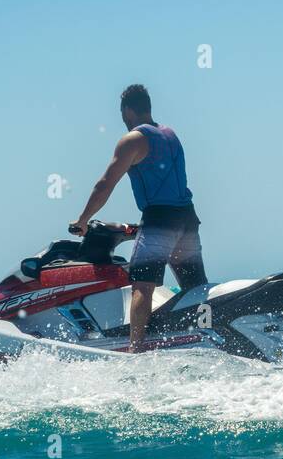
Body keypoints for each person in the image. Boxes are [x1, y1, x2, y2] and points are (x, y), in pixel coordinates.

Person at [70, 84, 208, 351]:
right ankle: (207, 334)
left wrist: (83, 220)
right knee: (195, 286)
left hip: (159, 219)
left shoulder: (133, 139)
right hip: (187, 218)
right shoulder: (170, 134)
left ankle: (136, 349)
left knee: (142, 286)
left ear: (128, 111)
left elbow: (105, 184)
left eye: (123, 113)